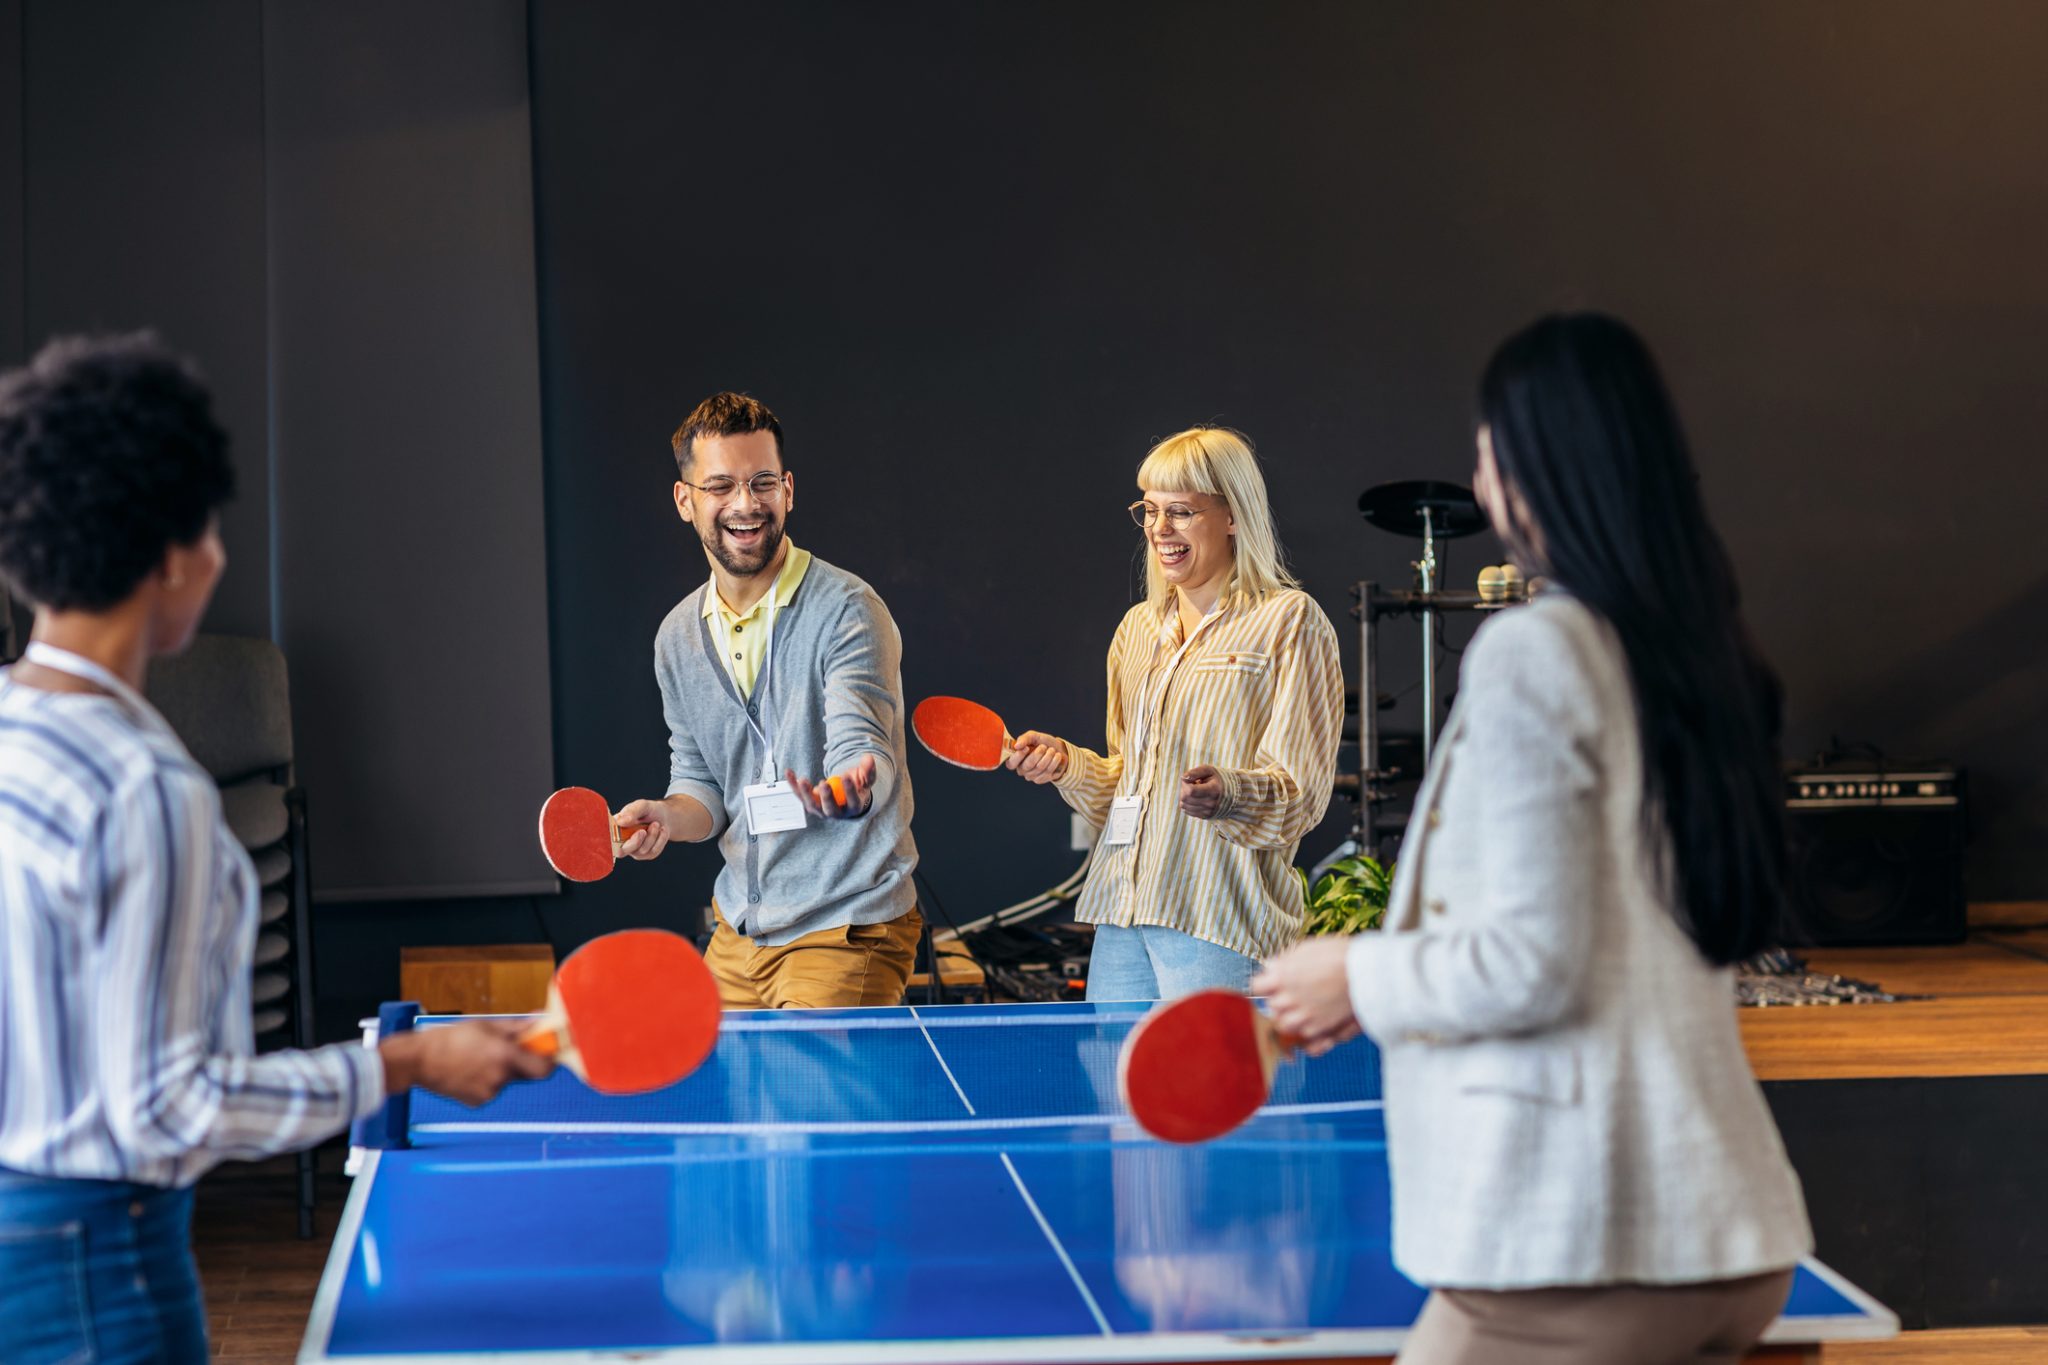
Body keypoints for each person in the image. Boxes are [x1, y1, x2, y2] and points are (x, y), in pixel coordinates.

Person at [1254, 313, 1813, 1365]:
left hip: (1575, 1246)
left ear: (1526, 468)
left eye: (1483, 446)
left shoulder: (1535, 653)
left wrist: (1354, 973)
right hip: (1718, 1232)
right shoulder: (1684, 650)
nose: (1476, 471)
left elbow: (1529, 963)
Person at [0, 334, 550, 1363]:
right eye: (207, 527)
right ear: (170, 554)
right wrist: (407, 1060)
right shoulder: (147, 789)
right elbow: (173, 1109)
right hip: (99, 1273)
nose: (214, 554)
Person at [1006, 426, 1343, 999]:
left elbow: (1301, 796)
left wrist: (1227, 793)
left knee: (1215, 1092)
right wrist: (1067, 766)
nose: (1160, 529)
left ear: (1234, 514)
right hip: (1122, 914)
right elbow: (1128, 786)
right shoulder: (1136, 630)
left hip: (1221, 925)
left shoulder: (1290, 621)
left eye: (1181, 511)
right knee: (1118, 1089)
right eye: (1149, 510)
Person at [617, 391, 921, 1009]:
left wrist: (850, 786)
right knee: (726, 1101)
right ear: (685, 500)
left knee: (808, 1103)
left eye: (762, 483)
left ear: (788, 489)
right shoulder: (676, 636)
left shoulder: (846, 610)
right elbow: (701, 786)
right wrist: (666, 817)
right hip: (740, 931)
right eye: (721, 485)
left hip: (844, 926)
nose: (745, 505)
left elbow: (861, 746)